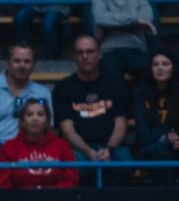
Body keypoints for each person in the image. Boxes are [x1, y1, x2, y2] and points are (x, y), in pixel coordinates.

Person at [54, 35, 133, 167]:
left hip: (110, 146)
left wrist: (109, 149)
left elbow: (121, 124)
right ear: (75, 57)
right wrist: (88, 151)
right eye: (80, 53)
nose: (85, 56)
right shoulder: (63, 87)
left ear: (99, 54)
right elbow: (67, 129)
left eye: (90, 51)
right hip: (79, 149)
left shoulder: (117, 84)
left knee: (125, 161)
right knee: (78, 164)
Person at [132, 49, 179, 181]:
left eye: (165, 64)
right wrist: (165, 138)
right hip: (151, 146)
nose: (160, 68)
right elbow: (142, 135)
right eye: (155, 64)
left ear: (174, 68)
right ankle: (163, 198)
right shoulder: (141, 93)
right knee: (161, 151)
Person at [0, 41, 51, 147]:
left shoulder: (42, 93)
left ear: (34, 65)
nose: (22, 65)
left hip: (30, 150)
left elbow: (47, 129)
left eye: (27, 61)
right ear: (7, 63)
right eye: (17, 61)